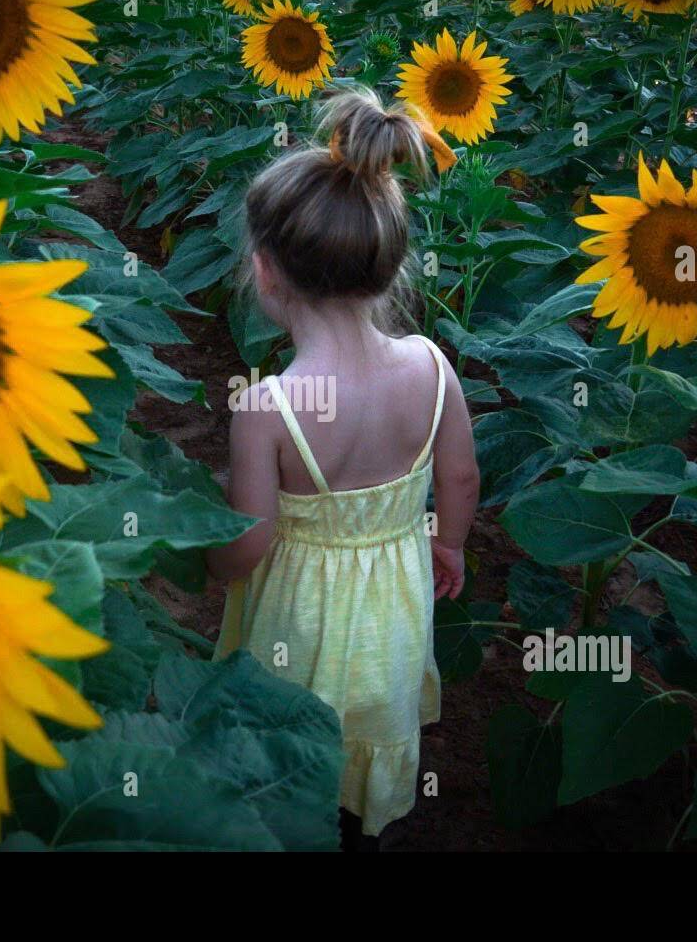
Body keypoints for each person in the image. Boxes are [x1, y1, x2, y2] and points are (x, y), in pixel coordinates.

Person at [206, 87, 480, 851]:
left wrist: (210, 554)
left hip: (298, 627)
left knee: (289, 766)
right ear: (390, 265)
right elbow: (458, 480)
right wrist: (448, 544)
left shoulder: (268, 406)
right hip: (389, 616)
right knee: (370, 740)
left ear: (264, 273)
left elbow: (248, 545)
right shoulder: (431, 366)